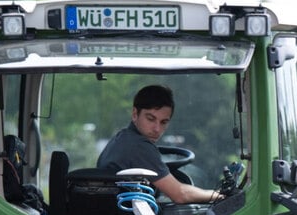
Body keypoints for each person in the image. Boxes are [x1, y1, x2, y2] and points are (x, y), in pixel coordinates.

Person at [96, 84, 224, 205]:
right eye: (151, 119)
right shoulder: (140, 147)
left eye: (163, 122)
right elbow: (180, 194)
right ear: (135, 114)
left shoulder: (121, 139)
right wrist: (218, 195)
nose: (157, 129)